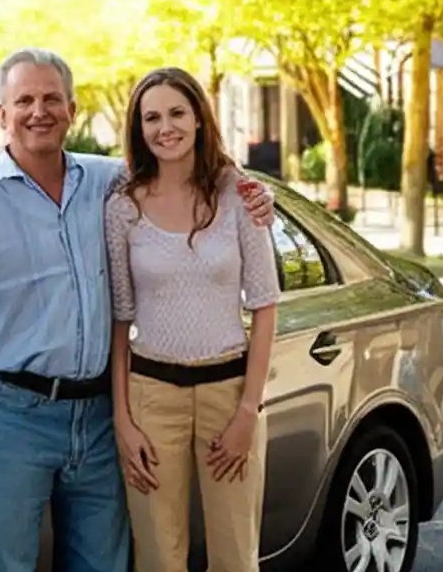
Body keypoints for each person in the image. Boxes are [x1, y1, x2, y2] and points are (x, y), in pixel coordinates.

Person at [0, 49, 276, 572]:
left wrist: (260, 198)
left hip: (100, 412)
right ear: (2, 114)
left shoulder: (108, 183)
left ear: (72, 110)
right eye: (25, 100)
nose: (39, 111)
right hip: (17, 414)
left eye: (51, 98)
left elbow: (186, 168)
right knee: (5, 561)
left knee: (104, 562)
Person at [104, 67, 280, 572]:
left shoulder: (239, 196)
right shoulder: (122, 209)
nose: (166, 127)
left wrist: (249, 410)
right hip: (151, 397)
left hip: (230, 394)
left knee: (235, 558)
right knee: (160, 558)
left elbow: (265, 304)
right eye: (152, 117)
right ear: (139, 129)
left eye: (177, 113)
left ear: (200, 119)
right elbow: (120, 320)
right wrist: (123, 419)